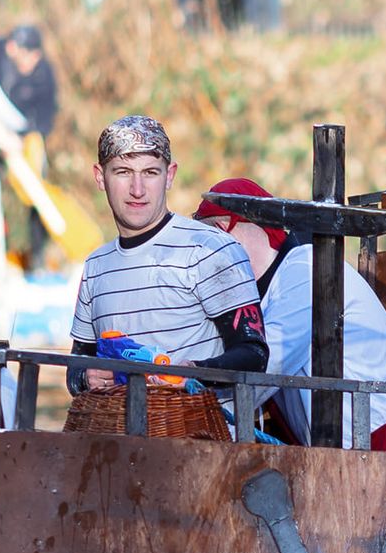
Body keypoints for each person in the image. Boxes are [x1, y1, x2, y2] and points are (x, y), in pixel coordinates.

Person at [195, 175, 386, 452]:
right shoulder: (270, 290)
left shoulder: (307, 269)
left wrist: (194, 397)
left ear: (223, 232)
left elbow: (265, 367)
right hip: (361, 453)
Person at [69, 116, 268, 393]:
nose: (137, 189)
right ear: (100, 177)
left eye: (150, 172)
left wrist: (192, 373)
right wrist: (86, 378)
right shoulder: (96, 266)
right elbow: (76, 364)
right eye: (123, 172)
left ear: (170, 175)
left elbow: (254, 355)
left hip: (201, 420)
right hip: (116, 422)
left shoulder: (210, 249)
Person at [0, 24, 59, 267]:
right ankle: (2, 251)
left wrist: (25, 137)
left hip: (28, 139)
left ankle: (38, 252)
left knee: (36, 192)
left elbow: (46, 117)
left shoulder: (43, 75)